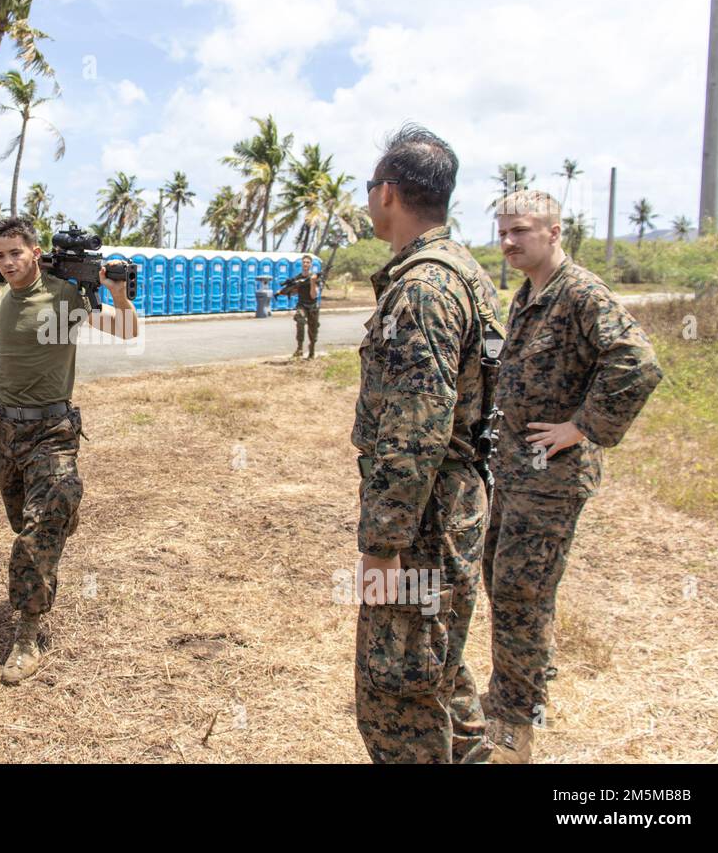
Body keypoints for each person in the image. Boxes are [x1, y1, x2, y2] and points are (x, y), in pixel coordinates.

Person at [484, 189, 662, 763]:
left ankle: (517, 720)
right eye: (504, 231)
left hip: (552, 478)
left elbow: (637, 361)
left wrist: (580, 426)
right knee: (501, 579)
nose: (509, 242)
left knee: (521, 591)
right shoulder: (527, 296)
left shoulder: (581, 293)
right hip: (516, 470)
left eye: (523, 231)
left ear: (555, 232)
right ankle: (517, 684)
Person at [351, 123, 505, 763]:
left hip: (423, 526)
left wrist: (384, 548)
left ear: (388, 192)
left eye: (369, 186)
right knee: (441, 669)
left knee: (397, 694)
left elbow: (417, 429)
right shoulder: (465, 271)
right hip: (453, 507)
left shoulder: (422, 288)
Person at [0, 217, 138, 685]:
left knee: (34, 535)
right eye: (0, 255)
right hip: (5, 429)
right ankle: (58, 513)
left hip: (52, 429)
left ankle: (26, 635)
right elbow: (3, 320)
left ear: (35, 252)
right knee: (25, 524)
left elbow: (126, 331)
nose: (8, 263)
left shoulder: (63, 296)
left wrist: (119, 295)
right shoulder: (7, 295)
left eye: (15, 254)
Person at [278, 255, 322, 358]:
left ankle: (311, 351)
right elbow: (295, 291)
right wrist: (284, 292)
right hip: (301, 304)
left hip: (313, 306)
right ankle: (300, 349)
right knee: (300, 321)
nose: (305, 264)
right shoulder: (298, 278)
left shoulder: (315, 278)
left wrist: (312, 282)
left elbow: (313, 295)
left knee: (313, 330)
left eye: (308, 262)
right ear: (302, 264)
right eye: (304, 262)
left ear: (311, 264)